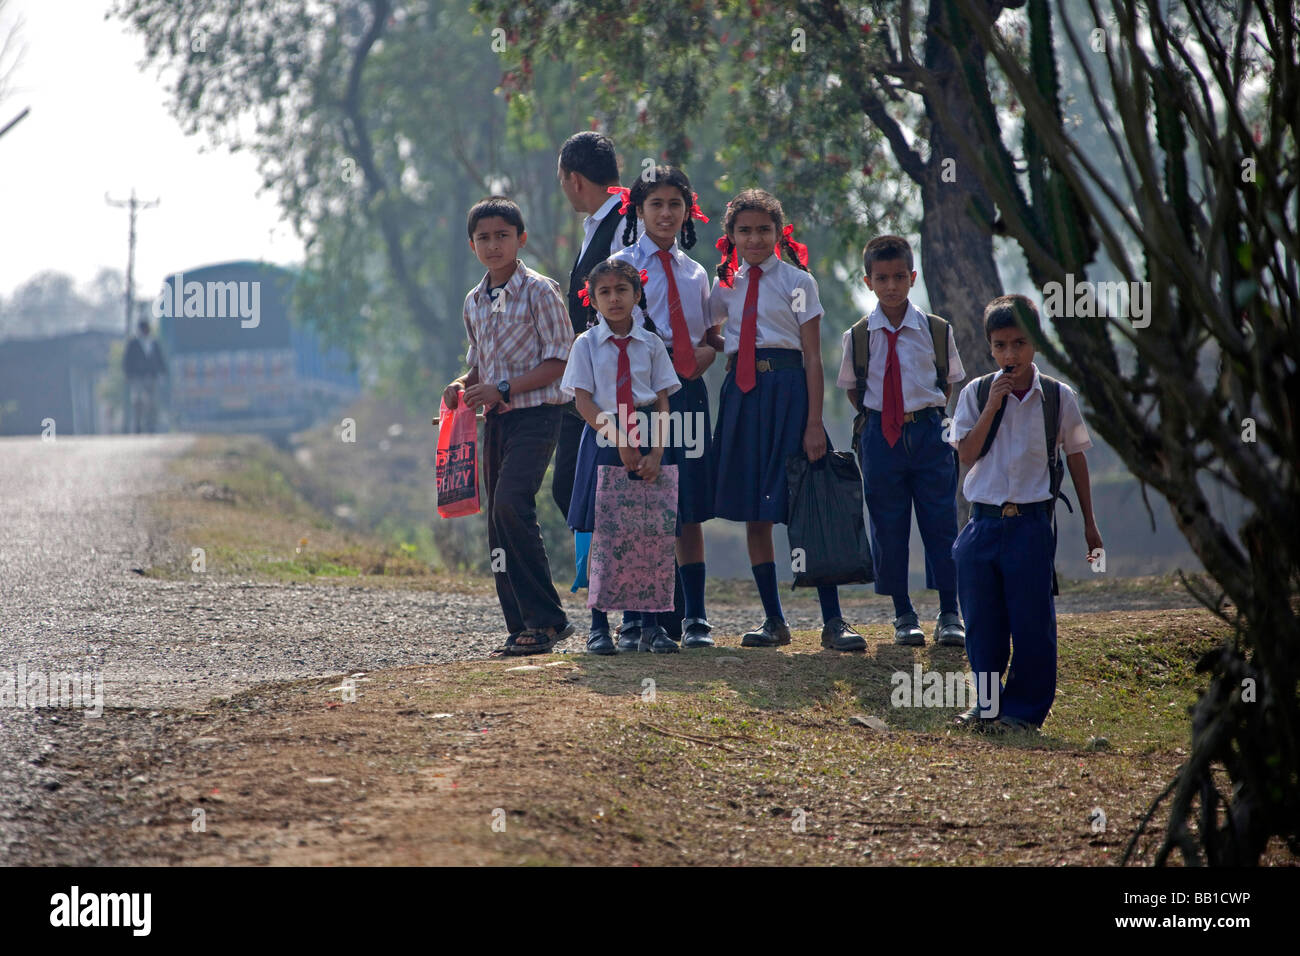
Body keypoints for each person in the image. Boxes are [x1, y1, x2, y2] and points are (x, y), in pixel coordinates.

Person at [709, 188, 865, 652]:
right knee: (755, 513)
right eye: (744, 230)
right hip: (743, 400)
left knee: (808, 503)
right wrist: (737, 355)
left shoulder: (799, 283)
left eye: (763, 229)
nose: (754, 238)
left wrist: (814, 422)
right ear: (730, 236)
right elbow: (709, 332)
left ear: (779, 233)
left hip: (791, 395)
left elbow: (814, 357)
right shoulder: (725, 285)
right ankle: (773, 620)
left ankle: (834, 621)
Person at [949, 294, 1103, 731]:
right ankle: (987, 704)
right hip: (983, 522)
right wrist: (994, 405)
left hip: (1032, 524)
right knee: (982, 622)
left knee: (1032, 622)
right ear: (990, 348)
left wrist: (1090, 523)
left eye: (1019, 343)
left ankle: (1025, 712)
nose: (1010, 354)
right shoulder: (976, 393)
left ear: (1035, 342)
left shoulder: (1058, 397)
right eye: (1000, 345)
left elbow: (1076, 457)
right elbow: (966, 455)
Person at [443, 196, 575, 656]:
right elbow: (478, 365)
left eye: (503, 236)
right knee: (497, 522)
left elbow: (561, 360)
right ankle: (521, 623)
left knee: (510, 503)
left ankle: (548, 619)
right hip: (496, 420)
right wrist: (461, 386)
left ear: (521, 239)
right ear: (472, 245)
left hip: (538, 414)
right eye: (484, 238)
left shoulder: (541, 291)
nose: (494, 245)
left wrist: (503, 387)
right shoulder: (474, 301)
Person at [838, 235, 967, 646]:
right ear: (867, 282)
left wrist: (918, 416)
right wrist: (886, 418)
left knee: (941, 522)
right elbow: (853, 390)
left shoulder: (936, 329)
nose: (891, 286)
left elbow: (947, 385)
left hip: (929, 432)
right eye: (882, 278)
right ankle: (903, 614)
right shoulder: (858, 336)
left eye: (898, 277)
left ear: (912, 278)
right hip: (880, 436)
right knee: (887, 526)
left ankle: (950, 612)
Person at [610, 166, 719, 649]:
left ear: (687, 211)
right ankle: (641, 621)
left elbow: (712, 337)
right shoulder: (621, 267)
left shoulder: (696, 272)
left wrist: (707, 355)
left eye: (676, 204)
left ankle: (695, 618)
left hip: (688, 394)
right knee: (645, 504)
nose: (666, 213)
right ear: (639, 210)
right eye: (655, 204)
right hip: (639, 399)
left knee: (688, 507)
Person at [562, 259, 680, 654]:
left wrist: (657, 451)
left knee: (647, 530)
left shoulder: (651, 344)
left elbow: (663, 400)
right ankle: (598, 627)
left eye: (622, 290)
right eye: (604, 292)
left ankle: (651, 625)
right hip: (603, 437)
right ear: (593, 299)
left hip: (648, 436)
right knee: (603, 532)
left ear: (637, 294)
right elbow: (582, 401)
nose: (614, 299)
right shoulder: (585, 344)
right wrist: (619, 439)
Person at [554, 131, 641, 521]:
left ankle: (643, 580)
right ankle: (608, 579)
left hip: (619, 374)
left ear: (574, 179)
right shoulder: (598, 225)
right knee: (575, 486)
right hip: (590, 372)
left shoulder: (627, 225)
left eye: (562, 181)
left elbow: (640, 297)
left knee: (616, 486)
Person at [124, 318, 167, 433]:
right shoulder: (133, 344)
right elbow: (128, 360)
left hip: (151, 377)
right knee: (138, 401)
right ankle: (138, 425)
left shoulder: (153, 343)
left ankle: (151, 426)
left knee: (152, 403)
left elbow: (160, 359)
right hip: (137, 377)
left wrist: (162, 373)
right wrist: (128, 374)